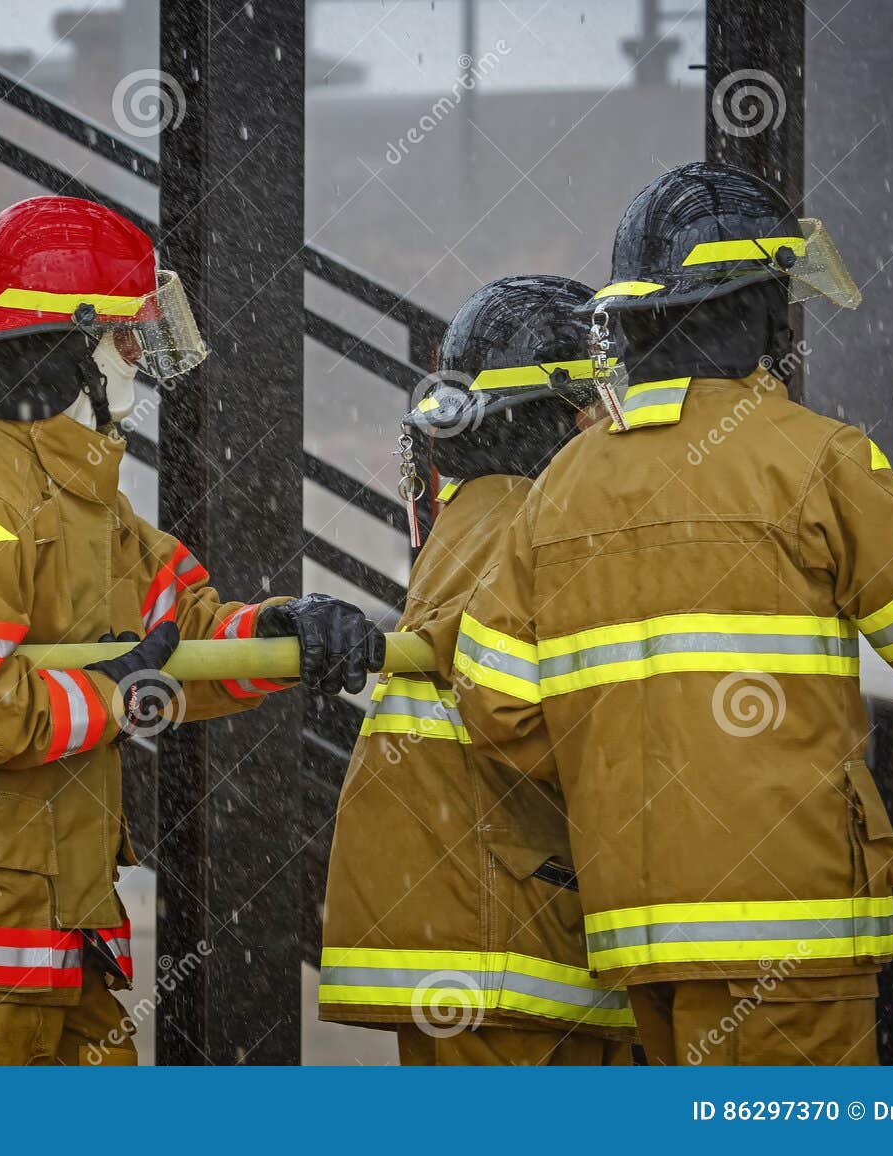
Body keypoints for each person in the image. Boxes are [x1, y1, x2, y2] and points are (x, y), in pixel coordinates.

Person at [454, 161, 893, 1065]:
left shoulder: (563, 487)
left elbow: (495, 702)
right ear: (746, 307)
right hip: (788, 923)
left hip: (637, 928)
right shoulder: (808, 459)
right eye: (772, 300)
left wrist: (629, 778)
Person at [0, 195, 384, 1065]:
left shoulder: (80, 501)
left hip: (41, 938)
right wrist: (117, 695)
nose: (140, 362)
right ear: (68, 347)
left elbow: (180, 629)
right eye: (125, 338)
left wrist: (283, 631)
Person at [319, 275, 636, 1065]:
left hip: (477, 921)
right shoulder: (531, 524)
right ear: (553, 414)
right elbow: (529, 715)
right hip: (502, 931)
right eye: (590, 405)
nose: (603, 425)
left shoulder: (477, 517)